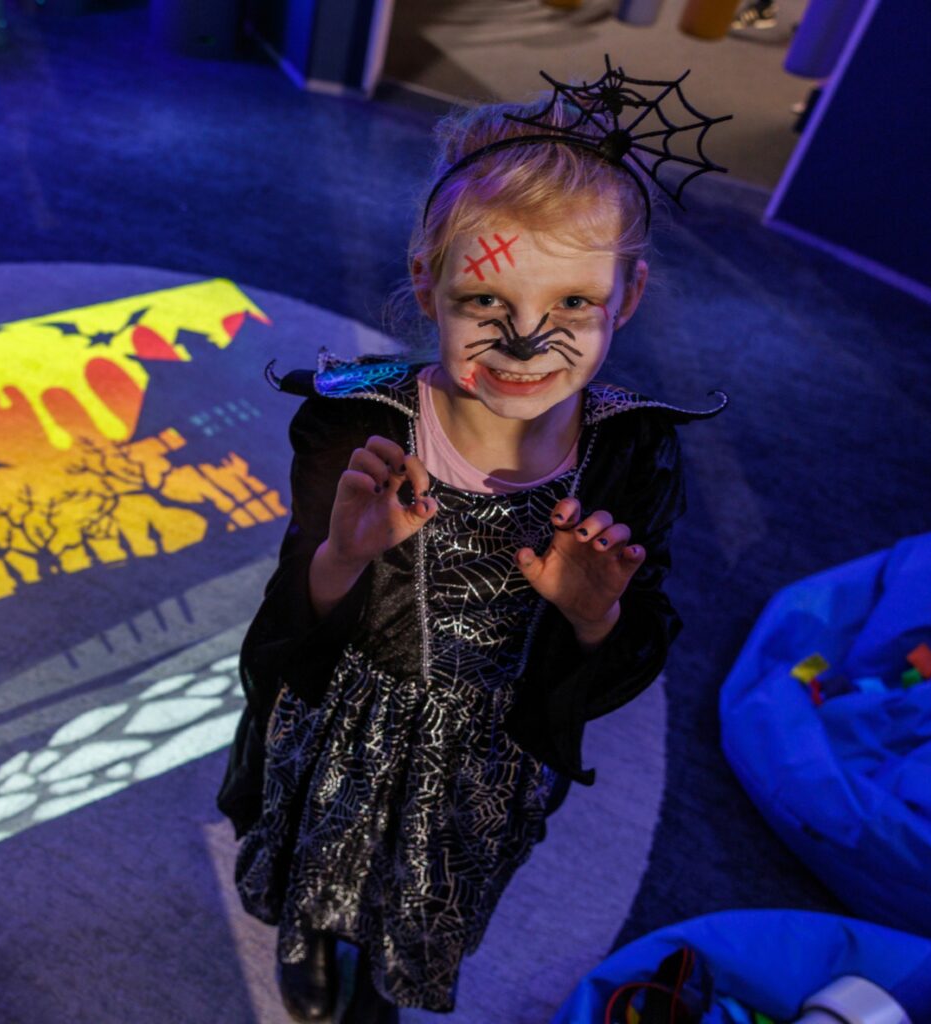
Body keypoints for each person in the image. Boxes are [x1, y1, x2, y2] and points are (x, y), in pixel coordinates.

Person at [216, 74, 727, 1023]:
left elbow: (633, 643)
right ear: (428, 282)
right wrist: (344, 556)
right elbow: (292, 614)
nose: (527, 341)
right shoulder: (358, 422)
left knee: (427, 883)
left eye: (572, 302)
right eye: (486, 298)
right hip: (349, 715)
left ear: (629, 294)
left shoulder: (631, 452)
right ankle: (309, 935)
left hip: (491, 751)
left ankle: (380, 977)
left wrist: (593, 612)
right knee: (320, 846)